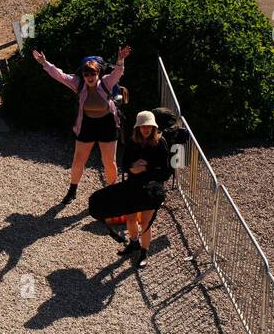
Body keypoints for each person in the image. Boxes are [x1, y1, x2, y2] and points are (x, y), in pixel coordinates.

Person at [32, 46, 131, 206]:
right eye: (86, 74)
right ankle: (72, 190)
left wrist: (120, 60)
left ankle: (111, 191)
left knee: (109, 161)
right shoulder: (78, 83)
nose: (90, 77)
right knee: (78, 159)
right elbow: (60, 76)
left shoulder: (106, 82)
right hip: (87, 124)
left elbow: (118, 72)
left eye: (93, 73)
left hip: (107, 124)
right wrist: (44, 63)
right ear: (82, 75)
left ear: (98, 73)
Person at [90, 111, 172, 269]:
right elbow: (125, 163)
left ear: (153, 127)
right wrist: (133, 169)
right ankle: (134, 243)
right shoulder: (133, 142)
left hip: (151, 189)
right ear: (138, 128)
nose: (146, 129)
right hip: (133, 185)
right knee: (130, 218)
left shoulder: (160, 143)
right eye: (143, 126)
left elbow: (166, 172)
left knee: (146, 223)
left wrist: (145, 170)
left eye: (148, 126)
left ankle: (144, 251)